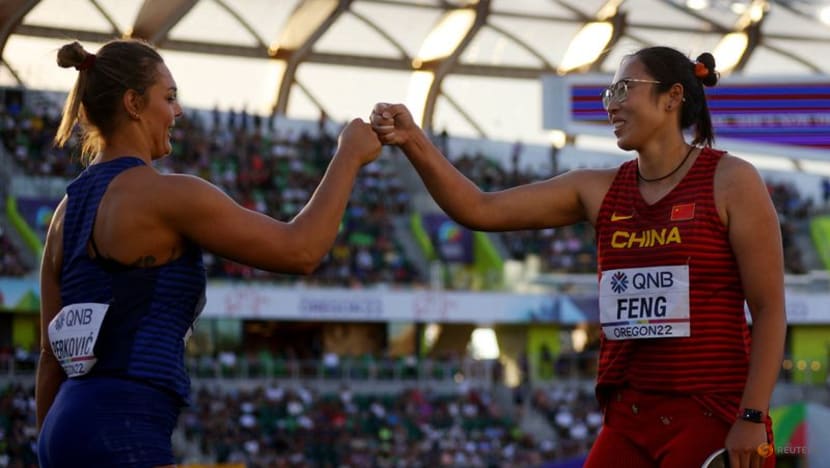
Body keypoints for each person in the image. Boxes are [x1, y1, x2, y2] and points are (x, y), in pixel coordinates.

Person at [371, 46, 785, 468]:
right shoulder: (598, 189)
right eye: (609, 94)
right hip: (628, 417)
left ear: (672, 96)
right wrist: (413, 140)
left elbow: (769, 309)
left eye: (624, 89)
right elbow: (479, 209)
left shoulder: (732, 180)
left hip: (713, 413)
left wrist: (753, 415)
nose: (612, 104)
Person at [35, 38, 381, 467]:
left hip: (61, 429)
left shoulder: (63, 216)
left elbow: (51, 358)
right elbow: (301, 251)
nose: (178, 111)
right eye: (170, 97)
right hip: (123, 428)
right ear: (133, 103)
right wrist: (348, 155)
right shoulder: (169, 196)